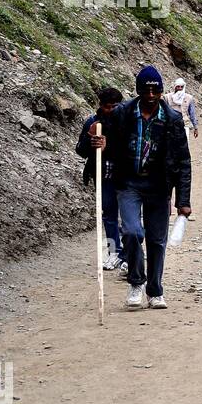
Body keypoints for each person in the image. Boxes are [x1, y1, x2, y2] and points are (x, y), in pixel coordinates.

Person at [89, 65, 192, 311]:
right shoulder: (122, 113)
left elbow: (183, 162)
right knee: (133, 233)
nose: (150, 95)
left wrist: (183, 200)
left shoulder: (172, 120)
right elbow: (100, 143)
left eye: (155, 91)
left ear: (160, 92)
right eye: (145, 90)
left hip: (159, 186)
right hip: (129, 184)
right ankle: (136, 282)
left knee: (157, 241)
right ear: (137, 91)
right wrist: (99, 144)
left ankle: (155, 291)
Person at [75, 86, 125, 272]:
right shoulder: (93, 122)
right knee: (109, 215)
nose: (110, 110)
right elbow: (80, 149)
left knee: (129, 217)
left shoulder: (128, 122)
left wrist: (108, 146)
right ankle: (114, 252)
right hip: (103, 176)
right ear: (100, 106)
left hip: (125, 177)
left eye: (114, 106)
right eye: (107, 106)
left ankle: (128, 253)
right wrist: (90, 141)